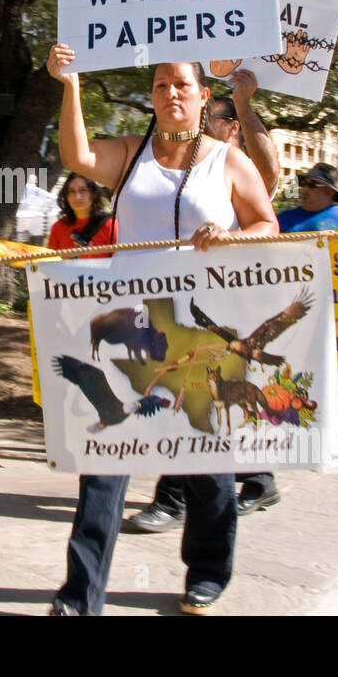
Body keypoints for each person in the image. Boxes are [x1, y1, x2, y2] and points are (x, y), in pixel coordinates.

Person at [46, 43, 279, 616]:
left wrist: (231, 238)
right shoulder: (131, 153)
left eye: (180, 85)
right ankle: (80, 596)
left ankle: (206, 574)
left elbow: (266, 223)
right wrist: (70, 84)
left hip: (201, 333)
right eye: (159, 86)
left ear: (203, 97)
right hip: (131, 328)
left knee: (204, 460)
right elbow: (76, 153)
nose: (170, 94)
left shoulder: (228, 161)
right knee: (105, 458)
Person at [125, 75, 285, 532]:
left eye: (214, 115)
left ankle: (184, 502)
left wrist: (243, 103)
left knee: (201, 399)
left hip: (226, 302)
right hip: (182, 304)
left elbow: (268, 186)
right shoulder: (176, 161)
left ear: (229, 126)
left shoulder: (231, 162)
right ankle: (248, 480)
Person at [276, 163, 338, 232]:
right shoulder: (281, 220)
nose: (304, 189)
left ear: (329, 192)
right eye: (303, 184)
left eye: (312, 185)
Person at [48, 172, 116, 257]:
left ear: (93, 194)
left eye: (82, 190)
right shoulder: (58, 228)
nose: (77, 197)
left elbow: (121, 264)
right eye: (72, 191)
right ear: (66, 197)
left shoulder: (111, 226)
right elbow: (50, 265)